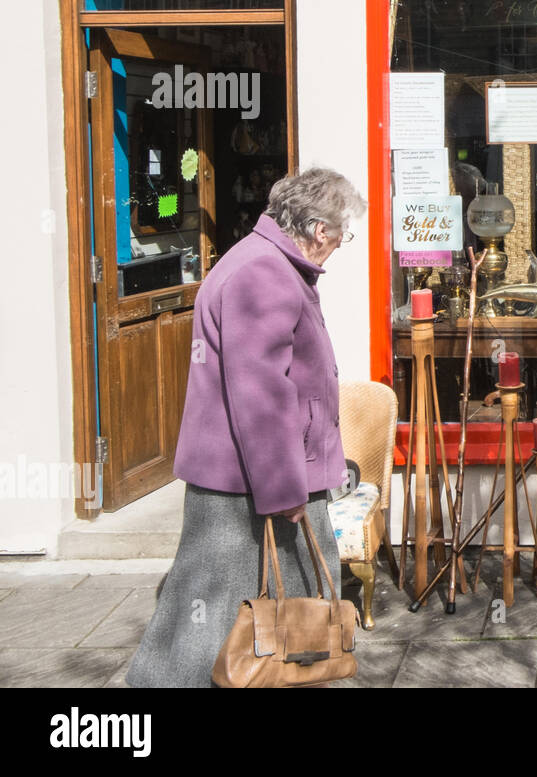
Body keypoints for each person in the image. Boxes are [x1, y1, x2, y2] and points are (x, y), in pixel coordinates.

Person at [127, 167, 367, 686]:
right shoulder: (264, 273)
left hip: (254, 478)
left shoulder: (262, 261)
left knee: (238, 612)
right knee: (224, 614)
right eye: (343, 234)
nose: (341, 246)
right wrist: (283, 490)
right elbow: (261, 394)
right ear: (319, 229)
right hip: (256, 485)